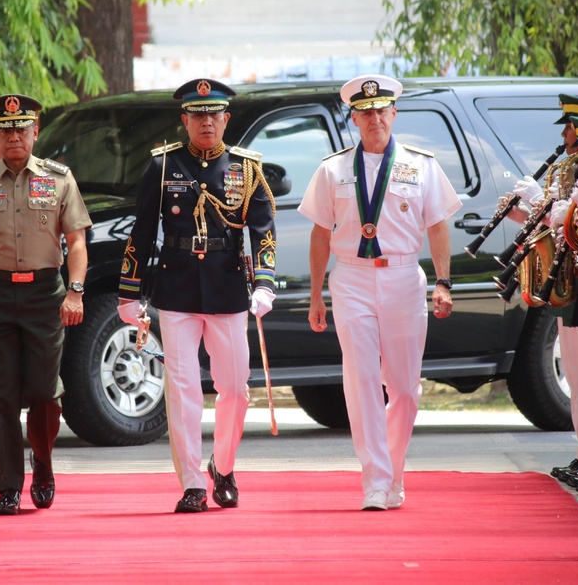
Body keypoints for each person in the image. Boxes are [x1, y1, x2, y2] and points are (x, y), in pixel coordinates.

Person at [298, 74, 461, 510]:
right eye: (365, 112)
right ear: (354, 118)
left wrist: (444, 282)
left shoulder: (421, 165)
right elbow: (318, 235)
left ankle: (393, 466)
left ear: (394, 113)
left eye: (381, 110)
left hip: (405, 277)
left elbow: (438, 227)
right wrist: (316, 295)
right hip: (351, 277)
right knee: (363, 378)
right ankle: (375, 479)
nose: (375, 119)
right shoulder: (332, 169)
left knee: (405, 389)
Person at [117, 78, 277, 513]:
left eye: (214, 115)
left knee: (235, 389)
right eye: (198, 115)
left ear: (227, 118)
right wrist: (130, 293)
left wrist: (264, 283)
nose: (206, 122)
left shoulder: (245, 169)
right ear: (184, 120)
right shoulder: (164, 166)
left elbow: (263, 232)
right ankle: (191, 483)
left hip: (227, 288)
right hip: (177, 287)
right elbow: (142, 232)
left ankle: (222, 466)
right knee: (183, 388)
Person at [0, 93, 91, 516]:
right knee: (2, 394)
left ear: (35, 132)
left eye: (21, 129)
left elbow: (77, 242)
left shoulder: (59, 179)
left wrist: (75, 290)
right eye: (5, 130)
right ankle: (8, 486)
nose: (13, 137)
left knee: (45, 393)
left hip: (46, 294)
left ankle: (42, 464)